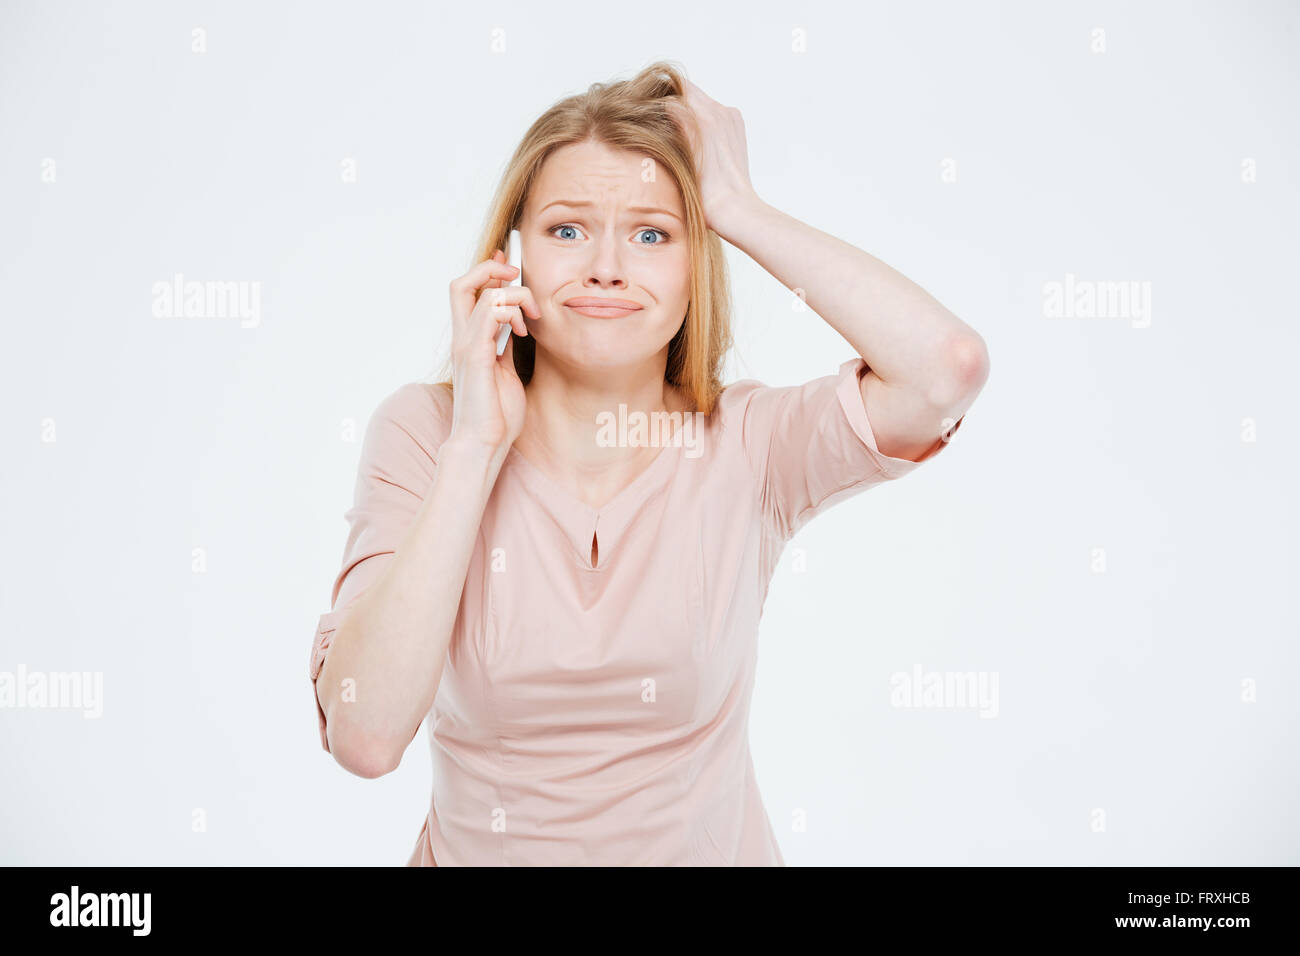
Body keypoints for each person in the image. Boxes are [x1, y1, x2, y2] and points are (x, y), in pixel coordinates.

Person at [308, 60, 989, 866]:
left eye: (652, 233)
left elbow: (945, 368)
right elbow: (366, 735)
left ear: (694, 266)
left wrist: (735, 204)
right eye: (566, 230)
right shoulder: (427, 430)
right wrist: (474, 447)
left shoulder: (748, 443)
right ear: (511, 258)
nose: (605, 266)